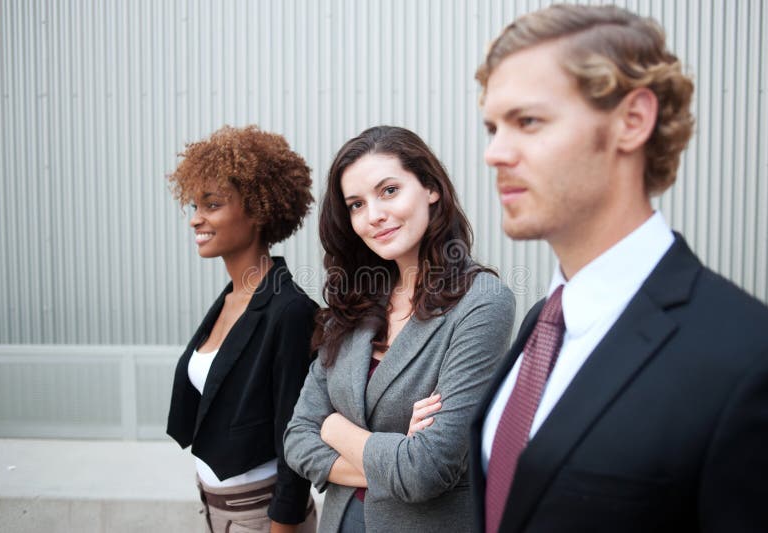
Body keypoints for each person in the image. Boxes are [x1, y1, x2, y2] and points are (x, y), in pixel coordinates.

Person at [468, 4, 768, 533]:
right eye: (492, 127)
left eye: (527, 121)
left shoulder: (756, 363)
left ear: (631, 121)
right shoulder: (541, 327)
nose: (495, 152)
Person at [283, 125, 515, 533]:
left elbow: (426, 470)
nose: (373, 215)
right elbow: (297, 437)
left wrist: (333, 427)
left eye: (388, 190)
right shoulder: (354, 302)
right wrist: (394, 457)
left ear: (430, 188)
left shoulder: (483, 302)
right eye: (356, 204)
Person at [166, 125, 318, 533]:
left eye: (212, 205)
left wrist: (282, 524)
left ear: (257, 211)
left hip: (261, 516)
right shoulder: (231, 299)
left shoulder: (290, 311)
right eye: (195, 205)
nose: (196, 218)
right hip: (215, 506)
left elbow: (295, 433)